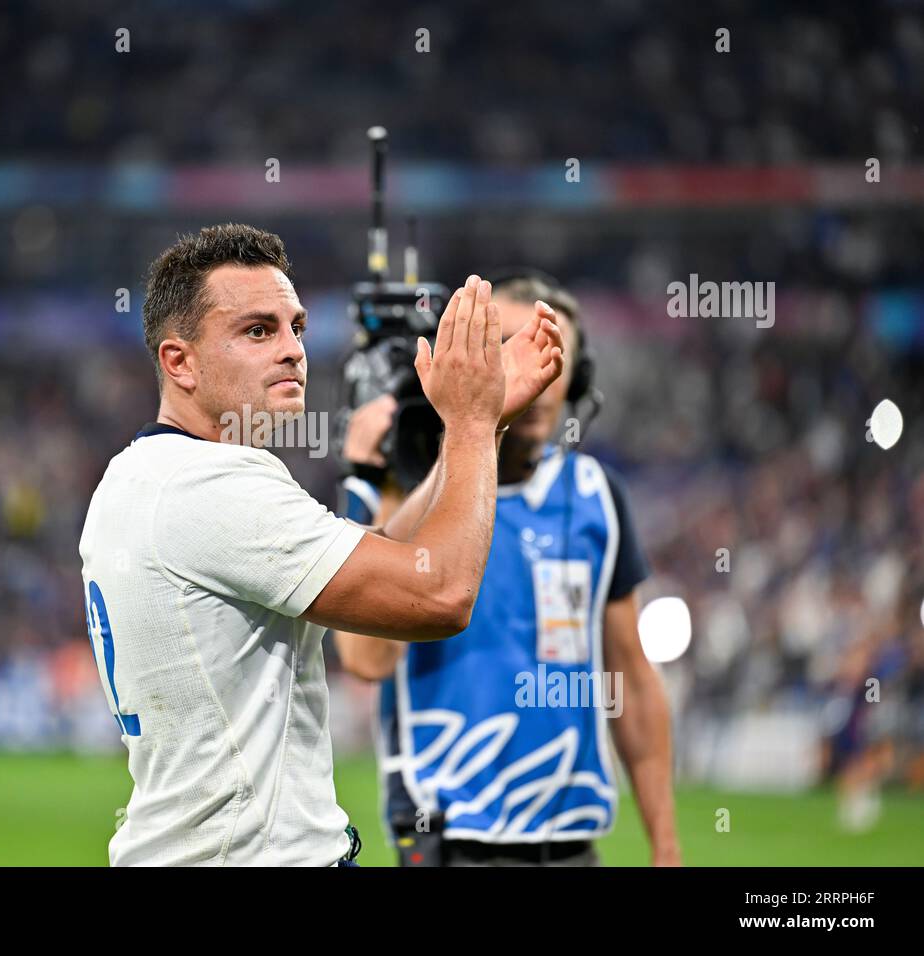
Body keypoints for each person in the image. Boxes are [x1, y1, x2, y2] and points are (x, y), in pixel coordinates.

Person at [77, 224, 564, 865]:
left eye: (296, 327)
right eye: (257, 331)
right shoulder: (215, 485)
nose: (291, 350)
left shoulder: (139, 475)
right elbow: (440, 593)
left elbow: (388, 557)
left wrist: (483, 424)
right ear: (179, 361)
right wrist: (471, 421)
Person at [335, 272, 680, 866]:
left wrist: (666, 844)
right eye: (517, 346)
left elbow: (634, 678)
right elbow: (366, 661)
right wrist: (379, 480)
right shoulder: (420, 493)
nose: (540, 374)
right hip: (453, 838)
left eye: (555, 352)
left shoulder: (598, 497)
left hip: (573, 844)